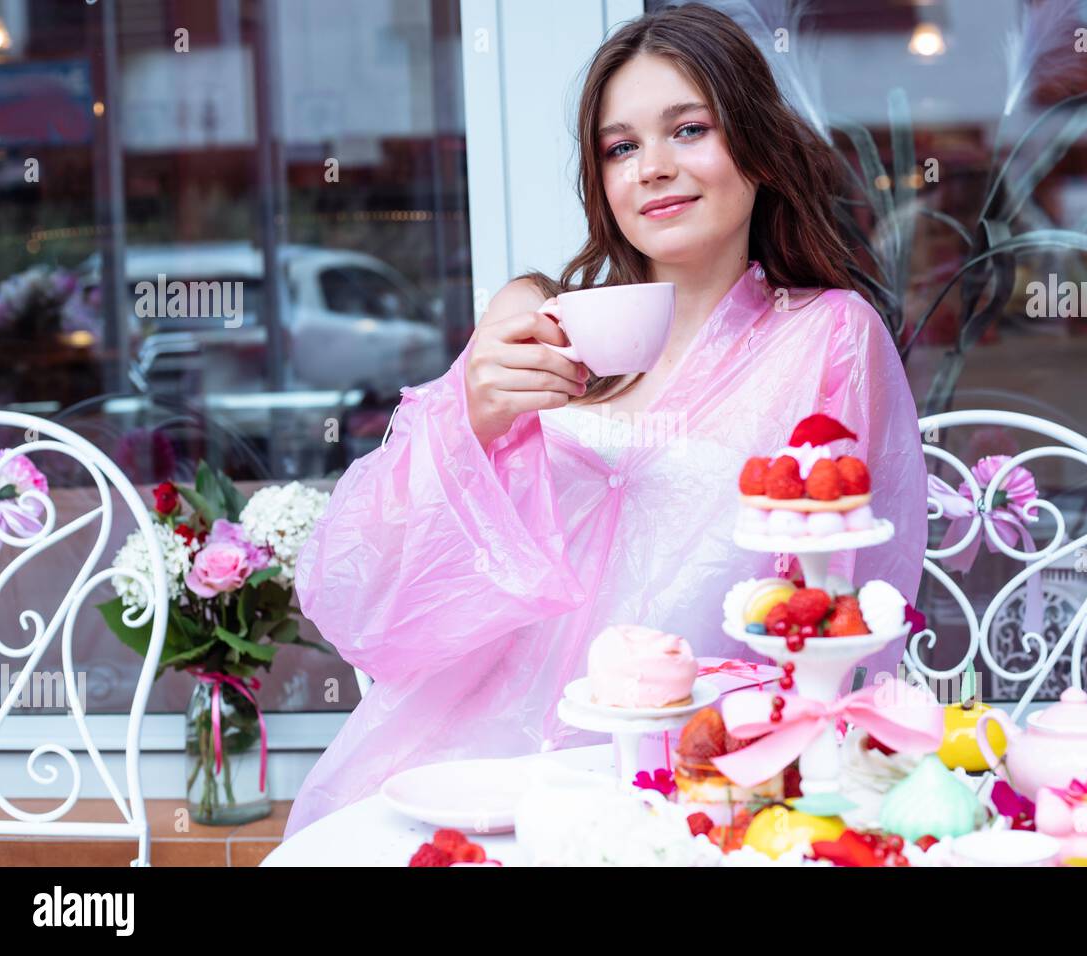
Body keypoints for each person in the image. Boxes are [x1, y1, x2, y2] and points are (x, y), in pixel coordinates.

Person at [284, 2, 926, 838]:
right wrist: (468, 419)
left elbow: (831, 598)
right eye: (621, 147)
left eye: (688, 130)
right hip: (474, 764)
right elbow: (357, 589)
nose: (652, 167)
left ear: (759, 149)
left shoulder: (826, 334)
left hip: (692, 774)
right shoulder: (547, 328)